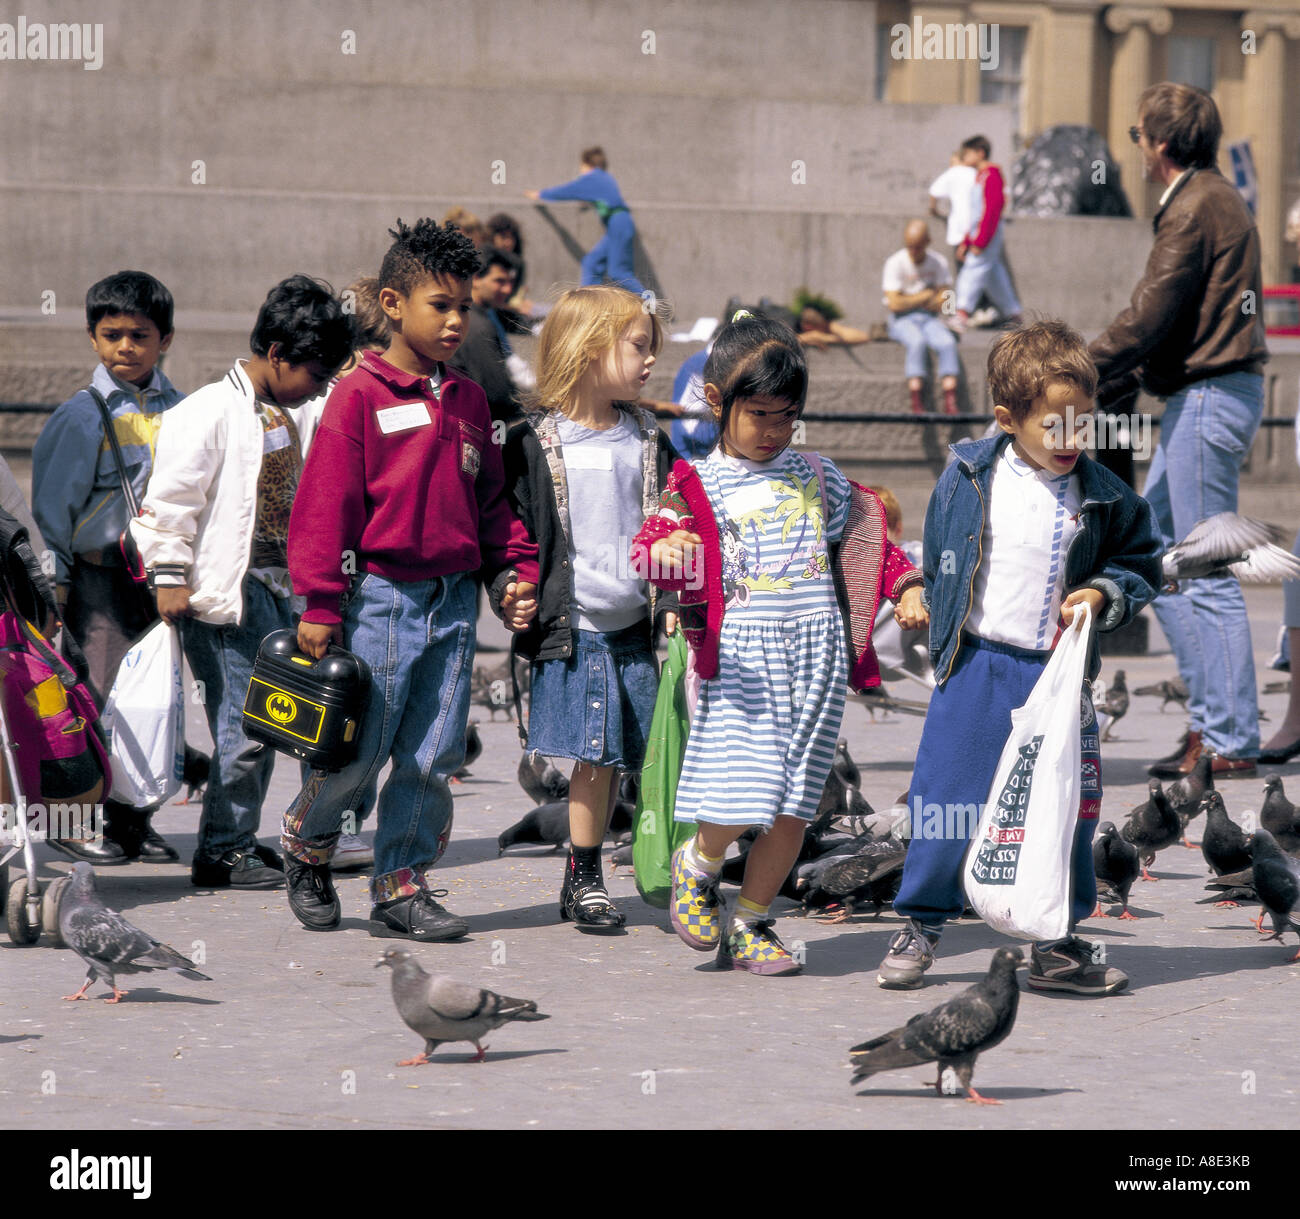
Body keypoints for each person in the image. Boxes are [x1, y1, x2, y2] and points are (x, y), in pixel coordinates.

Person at [631, 313, 927, 975]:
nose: (771, 430)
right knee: (742, 791)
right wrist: (668, 550)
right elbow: (650, 551)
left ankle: (753, 922)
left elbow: (872, 535)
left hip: (815, 660)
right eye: (757, 413)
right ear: (716, 400)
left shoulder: (817, 476)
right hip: (739, 662)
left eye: (785, 416)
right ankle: (699, 863)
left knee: (794, 806)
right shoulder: (693, 483)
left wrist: (907, 584)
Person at [879, 321, 1163, 995]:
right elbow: (942, 549)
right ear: (1008, 419)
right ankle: (922, 920)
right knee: (947, 799)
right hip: (976, 665)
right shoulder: (969, 474)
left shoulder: (1107, 495)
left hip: (1056, 677)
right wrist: (916, 588)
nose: (1071, 440)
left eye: (1082, 424)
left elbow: (1143, 562)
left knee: (1062, 809)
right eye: (1053, 426)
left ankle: (1057, 941)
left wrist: (1102, 590)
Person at [279, 219, 538, 939]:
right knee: (360, 752)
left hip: (454, 603)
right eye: (440, 306)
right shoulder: (357, 395)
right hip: (379, 601)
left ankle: (401, 884)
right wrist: (321, 601)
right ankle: (306, 839)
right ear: (393, 303)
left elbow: (489, 503)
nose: (456, 321)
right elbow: (323, 507)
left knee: (432, 755)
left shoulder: (470, 401)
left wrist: (512, 569)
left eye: (465, 308)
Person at [131, 275, 354, 889]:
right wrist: (170, 576)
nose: (321, 386)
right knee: (244, 728)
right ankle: (223, 853)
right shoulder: (205, 412)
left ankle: (238, 842)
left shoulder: (292, 409)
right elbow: (169, 503)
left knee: (273, 723)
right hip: (227, 598)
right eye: (315, 372)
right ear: (277, 354)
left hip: (280, 588)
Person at [1090, 83, 1269, 779]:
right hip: (1208, 395)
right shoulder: (1213, 198)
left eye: (1138, 136)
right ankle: (1211, 726)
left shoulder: (1194, 206)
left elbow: (1149, 314)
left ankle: (1227, 738)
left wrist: (1076, 367)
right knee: (1165, 564)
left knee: (1203, 570)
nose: (1135, 147)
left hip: (1210, 395)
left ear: (1160, 145)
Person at [502, 285, 678, 930]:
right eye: (639, 346)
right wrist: (513, 588)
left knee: (646, 755)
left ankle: (672, 864)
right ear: (588, 348)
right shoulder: (533, 442)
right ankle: (585, 876)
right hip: (574, 631)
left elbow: (678, 512)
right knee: (593, 759)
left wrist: (681, 578)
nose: (651, 360)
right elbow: (515, 533)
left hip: (636, 627)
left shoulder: (649, 439)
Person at [33, 270, 186, 864]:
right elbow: (52, 511)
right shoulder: (81, 415)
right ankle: (75, 820)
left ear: (165, 339)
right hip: (95, 581)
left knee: (153, 703)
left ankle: (131, 822)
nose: (126, 346)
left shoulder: (184, 410)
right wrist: (57, 589)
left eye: (140, 335)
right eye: (112, 334)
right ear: (93, 339)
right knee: (89, 698)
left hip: (157, 583)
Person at [526, 147, 646, 295]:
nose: (580, 170)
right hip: (617, 224)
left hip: (618, 223)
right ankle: (588, 303)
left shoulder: (593, 177)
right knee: (592, 262)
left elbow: (567, 190)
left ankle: (650, 305)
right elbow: (603, 198)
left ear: (586, 163)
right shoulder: (604, 177)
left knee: (619, 271)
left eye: (581, 165)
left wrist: (540, 194)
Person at [882, 220, 962, 415]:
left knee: (947, 343)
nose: (914, 252)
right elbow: (894, 303)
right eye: (910, 246)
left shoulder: (938, 262)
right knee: (916, 343)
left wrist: (910, 299)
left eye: (918, 247)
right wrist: (925, 296)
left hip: (929, 317)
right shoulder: (895, 263)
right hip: (902, 319)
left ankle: (950, 399)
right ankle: (916, 400)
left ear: (927, 242)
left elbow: (946, 298)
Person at [951, 135, 1022, 335]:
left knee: (971, 272)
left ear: (980, 153)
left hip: (986, 236)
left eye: (968, 153)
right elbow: (974, 213)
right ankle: (1014, 314)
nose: (964, 158)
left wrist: (980, 241)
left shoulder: (992, 176)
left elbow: (992, 210)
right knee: (993, 276)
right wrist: (967, 240)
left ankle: (961, 314)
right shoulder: (980, 176)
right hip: (978, 235)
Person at [449, 248, 528, 426]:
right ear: (476, 278)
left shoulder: (481, 316)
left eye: (510, 282)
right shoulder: (475, 325)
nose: (507, 289)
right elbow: (496, 392)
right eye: (499, 281)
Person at [792, 288, 870, 350]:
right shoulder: (792, 324)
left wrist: (825, 337)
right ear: (808, 326)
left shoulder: (828, 326)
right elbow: (784, 342)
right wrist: (810, 337)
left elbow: (863, 337)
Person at [486, 212, 531, 311]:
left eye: (512, 237)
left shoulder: (517, 264)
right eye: (503, 237)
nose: (508, 242)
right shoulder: (485, 261)